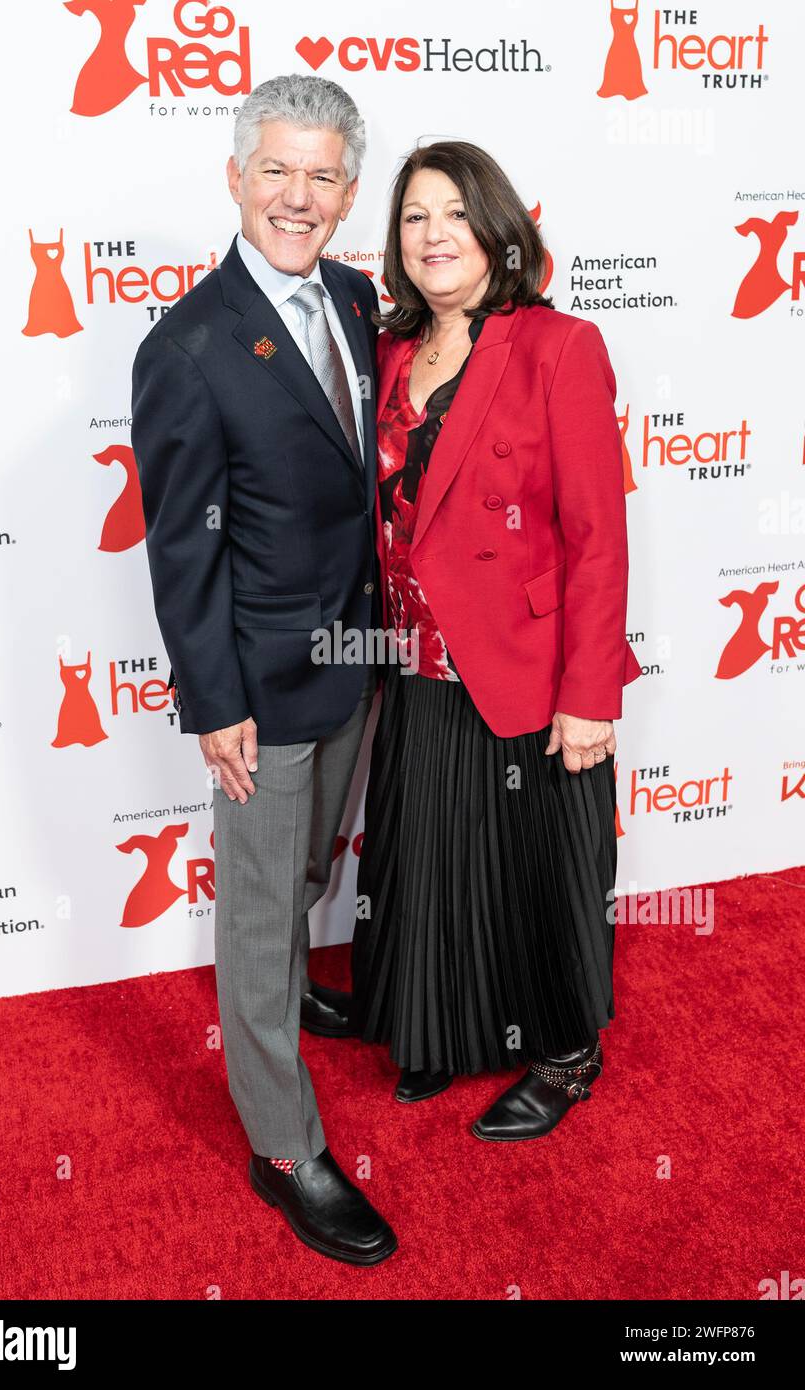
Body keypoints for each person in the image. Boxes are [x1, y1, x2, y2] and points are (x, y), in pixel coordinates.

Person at [131, 74, 396, 1265]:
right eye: (276, 170)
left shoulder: (354, 293)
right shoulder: (186, 343)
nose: (299, 195)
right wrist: (214, 701)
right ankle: (283, 1142)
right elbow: (182, 541)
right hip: (260, 680)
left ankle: (288, 1000)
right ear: (235, 176)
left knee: (297, 874)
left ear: (350, 191)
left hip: (358, 653)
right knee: (254, 909)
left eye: (323, 174)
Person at [347, 139, 642, 1139]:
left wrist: (590, 693)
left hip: (530, 670)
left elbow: (597, 536)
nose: (432, 234)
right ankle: (454, 1028)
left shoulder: (557, 347)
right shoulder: (391, 351)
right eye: (413, 216)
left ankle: (564, 1054)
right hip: (420, 666)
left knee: (537, 868)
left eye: (452, 213)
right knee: (432, 861)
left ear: (497, 229)